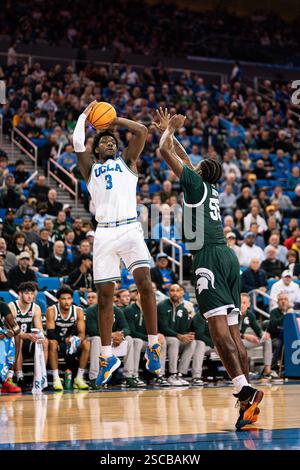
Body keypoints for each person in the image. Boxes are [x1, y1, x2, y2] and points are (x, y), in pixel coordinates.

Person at [158, 109, 263, 429]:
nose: (192, 165)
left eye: (197, 166)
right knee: (233, 333)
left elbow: (165, 152)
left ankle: (242, 388)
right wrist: (172, 134)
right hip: (228, 257)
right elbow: (185, 159)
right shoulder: (208, 188)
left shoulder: (194, 184)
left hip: (208, 259)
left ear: (201, 172)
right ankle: (248, 402)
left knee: (218, 333)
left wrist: (169, 132)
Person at [73, 100, 161, 385]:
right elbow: (76, 141)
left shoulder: (128, 162)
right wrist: (86, 115)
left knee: (145, 283)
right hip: (104, 233)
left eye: (113, 141)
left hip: (130, 228)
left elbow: (143, 130)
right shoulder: (90, 168)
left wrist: (113, 119)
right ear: (97, 149)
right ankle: (107, 355)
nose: (110, 143)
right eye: (105, 142)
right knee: (105, 298)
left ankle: (153, 343)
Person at [84, 293, 140, 389]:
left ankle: (129, 376)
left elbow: (126, 328)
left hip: (113, 342)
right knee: (96, 339)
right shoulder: (91, 311)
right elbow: (92, 331)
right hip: (98, 341)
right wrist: (112, 335)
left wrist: (121, 335)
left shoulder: (117, 311)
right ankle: (93, 378)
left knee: (129, 339)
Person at [46, 285, 89, 390]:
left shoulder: (78, 310)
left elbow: (82, 333)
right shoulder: (51, 310)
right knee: (52, 343)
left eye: (69, 298)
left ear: (72, 299)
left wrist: (77, 340)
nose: (66, 301)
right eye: (63, 299)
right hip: (58, 341)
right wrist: (64, 340)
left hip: (72, 342)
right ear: (58, 300)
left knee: (87, 344)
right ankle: (56, 378)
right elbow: (50, 333)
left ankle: (79, 378)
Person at [8, 282, 48, 391]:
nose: (30, 296)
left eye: (31, 293)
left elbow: (39, 328)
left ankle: (40, 376)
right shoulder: (12, 306)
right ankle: (20, 377)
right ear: (20, 294)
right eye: (26, 293)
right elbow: (12, 329)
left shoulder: (36, 308)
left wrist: (39, 336)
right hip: (12, 339)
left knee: (44, 341)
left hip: (28, 339)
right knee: (18, 339)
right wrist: (26, 335)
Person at [125, 292, 168, 387]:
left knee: (162, 342)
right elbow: (132, 332)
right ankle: (134, 374)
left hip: (147, 340)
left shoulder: (151, 310)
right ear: (136, 295)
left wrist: (158, 335)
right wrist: (151, 338)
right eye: (142, 294)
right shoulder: (129, 309)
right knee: (137, 341)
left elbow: (156, 327)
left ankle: (160, 375)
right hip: (134, 341)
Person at [158, 284, 196, 386]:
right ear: (168, 293)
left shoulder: (183, 310)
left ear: (181, 293)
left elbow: (183, 330)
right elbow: (163, 327)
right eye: (172, 290)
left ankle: (180, 374)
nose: (174, 293)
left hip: (176, 336)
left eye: (177, 290)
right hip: (163, 336)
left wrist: (187, 335)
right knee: (174, 341)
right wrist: (179, 336)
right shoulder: (162, 306)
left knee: (192, 343)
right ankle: (171, 374)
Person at [239, 293, 273, 380]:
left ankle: (267, 371)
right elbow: (228, 333)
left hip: (242, 341)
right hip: (232, 342)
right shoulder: (232, 314)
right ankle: (239, 373)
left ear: (249, 304)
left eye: (244, 303)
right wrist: (244, 336)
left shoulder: (250, 315)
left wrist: (263, 334)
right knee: (238, 344)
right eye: (240, 302)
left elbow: (257, 330)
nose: (242, 305)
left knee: (267, 340)